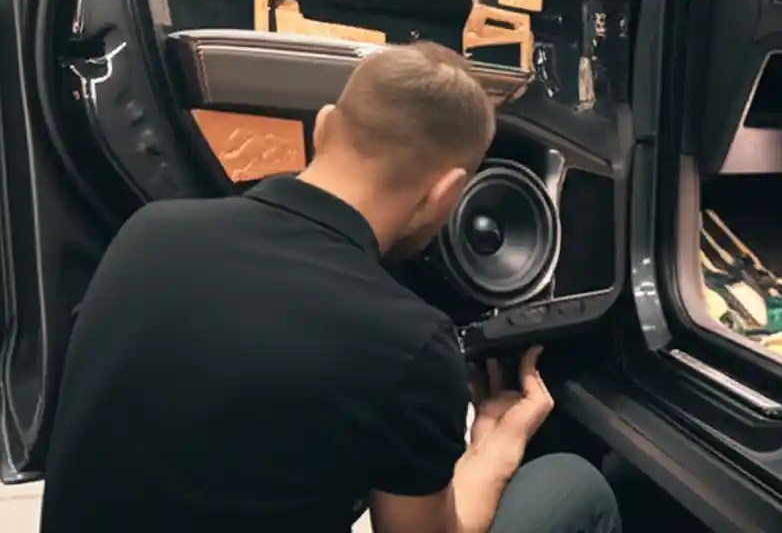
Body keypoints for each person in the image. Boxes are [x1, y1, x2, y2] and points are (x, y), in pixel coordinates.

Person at [39, 41, 621, 533]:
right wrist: (495, 447)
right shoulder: (410, 343)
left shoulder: (149, 231)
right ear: (447, 193)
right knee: (573, 484)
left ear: (323, 127)